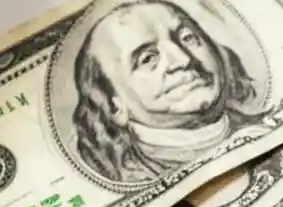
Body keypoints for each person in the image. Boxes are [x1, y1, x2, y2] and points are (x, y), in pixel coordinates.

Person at [71, 0, 262, 184]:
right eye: (147, 59)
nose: (183, 59)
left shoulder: (262, 128)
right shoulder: (131, 176)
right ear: (114, 107)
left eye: (187, 38)